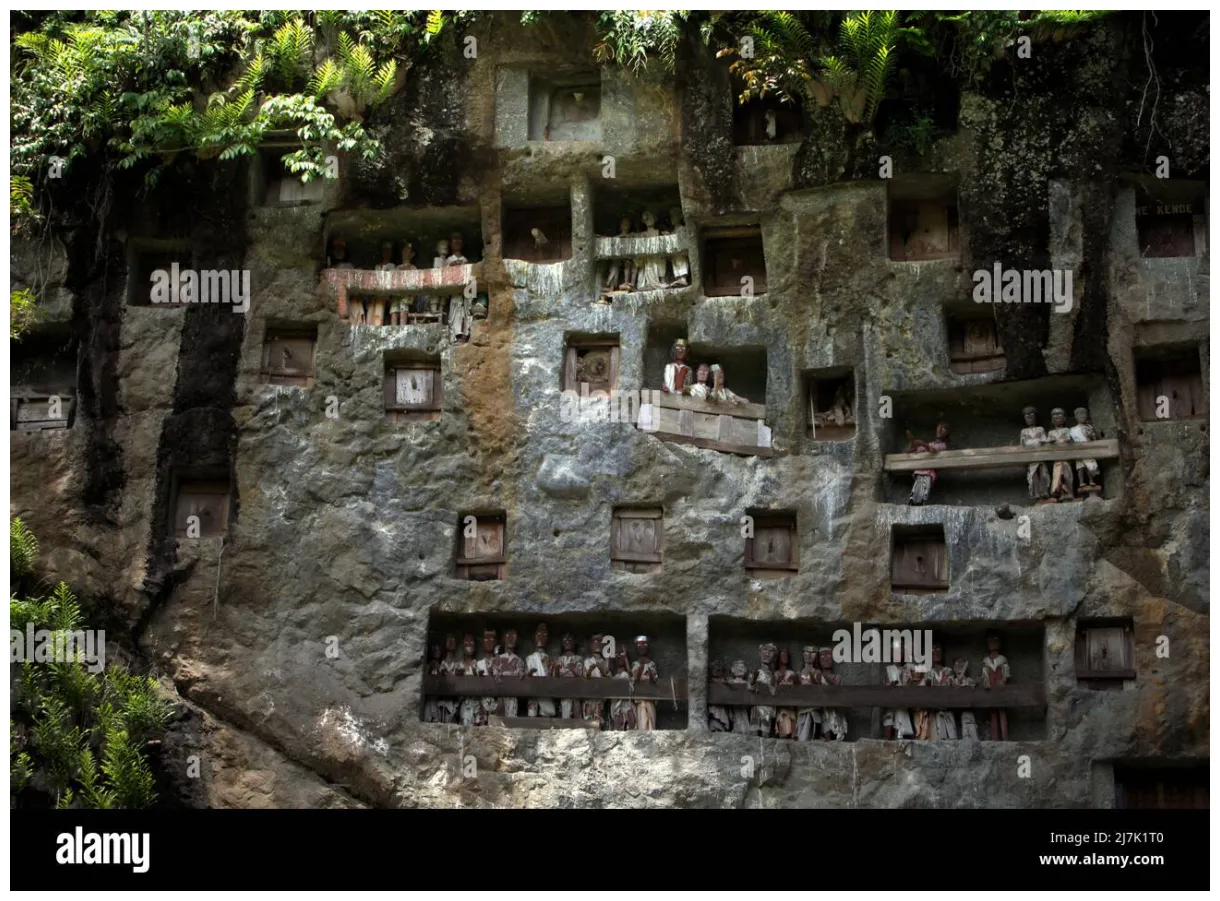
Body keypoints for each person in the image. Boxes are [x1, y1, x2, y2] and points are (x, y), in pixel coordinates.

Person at [906, 422, 949, 506]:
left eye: (944, 428)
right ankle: (913, 504)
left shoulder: (943, 445)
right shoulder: (931, 443)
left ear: (947, 433)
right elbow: (918, 450)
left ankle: (919, 505)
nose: (940, 429)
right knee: (916, 490)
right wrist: (913, 443)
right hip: (920, 470)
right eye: (939, 426)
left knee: (923, 490)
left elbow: (933, 450)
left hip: (928, 472)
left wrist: (922, 443)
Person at [631, 635, 659, 730]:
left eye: (644, 645)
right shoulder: (635, 664)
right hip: (640, 699)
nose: (642, 647)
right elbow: (635, 680)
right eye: (639, 645)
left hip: (650, 698)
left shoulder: (652, 664)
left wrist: (649, 671)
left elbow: (654, 679)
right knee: (642, 722)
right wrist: (641, 668)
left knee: (651, 721)